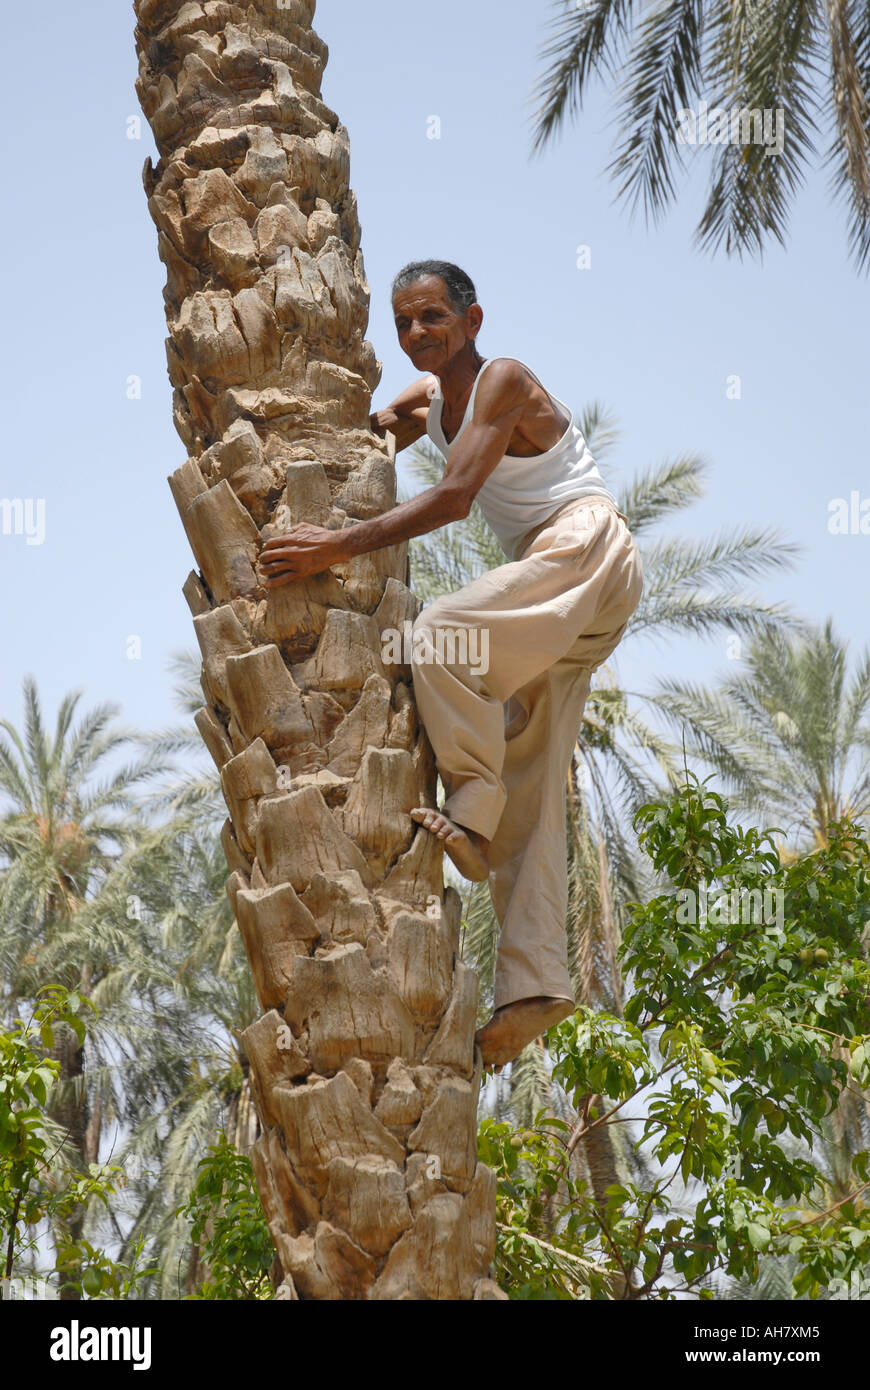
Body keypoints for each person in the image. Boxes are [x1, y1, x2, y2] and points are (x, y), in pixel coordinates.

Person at [258, 260, 643, 1068]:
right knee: (532, 775)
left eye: (432, 318)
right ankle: (537, 987)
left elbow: (455, 498)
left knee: (436, 636)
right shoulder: (430, 402)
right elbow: (365, 431)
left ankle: (470, 806)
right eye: (403, 324)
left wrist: (333, 545)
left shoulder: (502, 380)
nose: (416, 335)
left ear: (472, 320)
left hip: (585, 547)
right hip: (563, 598)